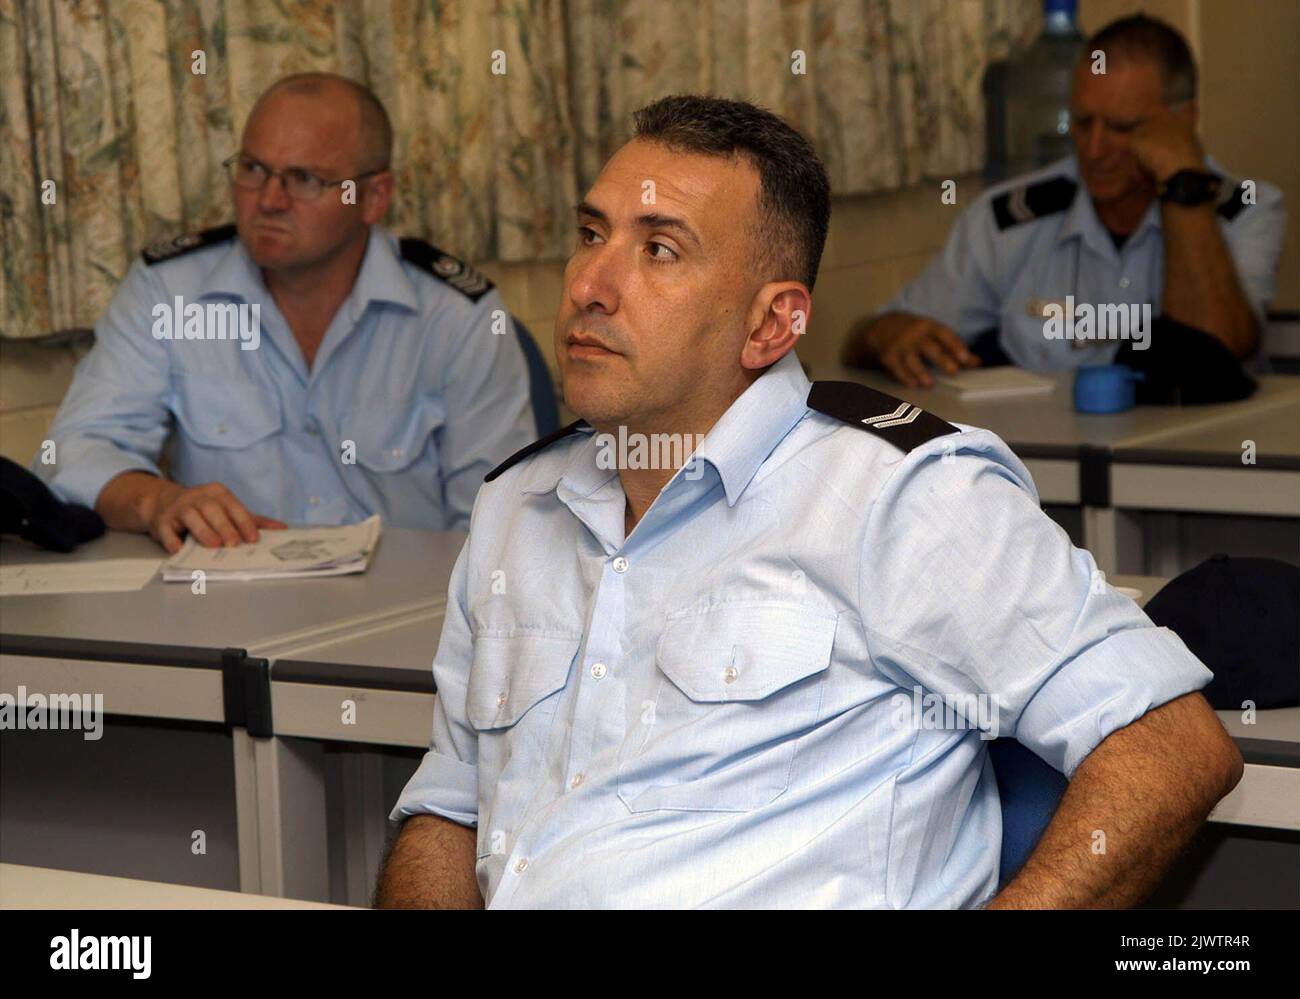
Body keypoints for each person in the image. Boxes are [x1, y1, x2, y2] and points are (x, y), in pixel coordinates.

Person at [376, 95, 1242, 909]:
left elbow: (1171, 749)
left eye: (659, 249)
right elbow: (451, 807)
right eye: (591, 234)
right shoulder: (517, 503)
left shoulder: (899, 495)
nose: (591, 285)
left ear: (770, 324)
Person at [36, 73, 535, 551]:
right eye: (253, 169)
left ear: (373, 197)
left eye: (304, 179)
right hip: (230, 612)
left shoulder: (456, 315)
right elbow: (72, 455)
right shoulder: (170, 291)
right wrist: (159, 501)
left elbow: (499, 524)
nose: (268, 200)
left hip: (407, 615)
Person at [842, 14, 1285, 390]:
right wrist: (886, 335)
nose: (1094, 149)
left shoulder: (1246, 211)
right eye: (1082, 121)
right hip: (1042, 473)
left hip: (1197, 469)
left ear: (1184, 120)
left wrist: (1184, 184)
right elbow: (868, 339)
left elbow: (1215, 354)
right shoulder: (1010, 219)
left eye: (1122, 127)